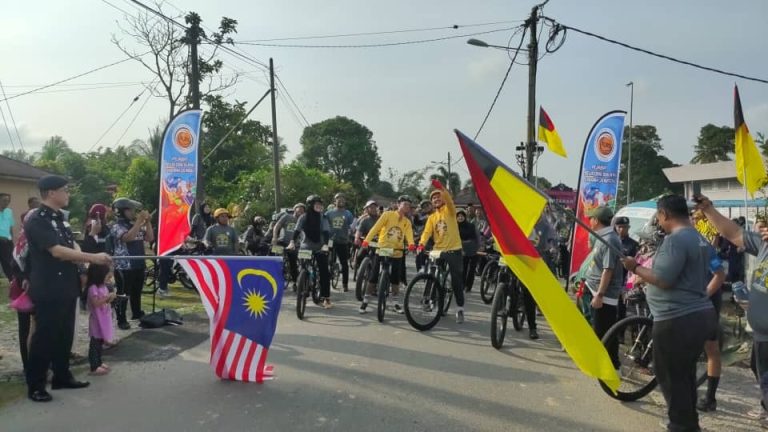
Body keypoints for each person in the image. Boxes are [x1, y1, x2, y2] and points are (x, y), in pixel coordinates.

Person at [622, 195, 717, 431]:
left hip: (677, 319)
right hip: (700, 315)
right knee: (684, 376)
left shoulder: (676, 240)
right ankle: (688, 424)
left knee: (672, 378)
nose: (659, 222)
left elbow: (663, 279)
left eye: (659, 217)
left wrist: (635, 267)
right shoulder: (699, 238)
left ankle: (680, 425)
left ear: (664, 214)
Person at [24, 175, 112, 402]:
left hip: (66, 286)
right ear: (52, 193)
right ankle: (36, 385)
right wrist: (93, 257)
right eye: (65, 190)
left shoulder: (60, 220)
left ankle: (62, 376)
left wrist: (83, 266)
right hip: (49, 287)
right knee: (45, 338)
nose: (68, 193)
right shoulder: (38, 220)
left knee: (64, 335)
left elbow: (70, 248)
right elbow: (57, 251)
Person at [697, 196, 768, 422]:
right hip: (761, 332)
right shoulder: (764, 243)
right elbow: (733, 233)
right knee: (759, 371)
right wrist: (708, 209)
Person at [419, 179, 466, 324]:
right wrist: (421, 245)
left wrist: (442, 188)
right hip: (438, 251)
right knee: (431, 274)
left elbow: (450, 201)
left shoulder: (450, 211)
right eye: (433, 198)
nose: (436, 199)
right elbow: (427, 232)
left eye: (439, 196)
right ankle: (428, 300)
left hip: (454, 251)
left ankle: (459, 309)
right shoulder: (432, 217)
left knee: (456, 281)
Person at [359, 195, 416, 314]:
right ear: (398, 204)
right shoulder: (387, 215)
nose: (406, 207)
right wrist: (366, 240)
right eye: (404, 204)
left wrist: (411, 244)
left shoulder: (407, 221)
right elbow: (376, 228)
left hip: (397, 251)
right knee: (373, 275)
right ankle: (365, 300)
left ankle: (395, 302)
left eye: (408, 205)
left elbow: (409, 234)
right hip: (383, 248)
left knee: (396, 278)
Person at [584, 206, 624, 369]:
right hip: (593, 287)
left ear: (597, 220)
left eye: (591, 218)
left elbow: (608, 269)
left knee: (605, 331)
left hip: (604, 294)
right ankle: (599, 361)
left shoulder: (610, 239)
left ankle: (614, 365)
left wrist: (599, 295)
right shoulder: (601, 236)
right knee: (597, 328)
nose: (589, 221)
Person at [110, 198, 154, 329]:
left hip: (139, 263)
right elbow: (128, 238)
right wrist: (139, 222)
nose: (134, 212)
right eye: (130, 210)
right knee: (123, 293)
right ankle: (121, 318)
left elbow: (149, 238)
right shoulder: (117, 226)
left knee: (137, 291)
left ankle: (137, 313)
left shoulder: (135, 224)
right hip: (124, 266)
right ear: (121, 211)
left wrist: (148, 222)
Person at [289, 195, 332, 308]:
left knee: (324, 271)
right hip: (306, 246)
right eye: (316, 204)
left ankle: (326, 297)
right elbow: (297, 230)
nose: (318, 206)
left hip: (320, 247)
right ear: (310, 205)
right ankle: (304, 285)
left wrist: (326, 245)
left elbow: (326, 232)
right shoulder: (303, 217)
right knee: (302, 268)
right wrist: (292, 242)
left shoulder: (323, 217)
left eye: (320, 204)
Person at [85, 264, 116, 376]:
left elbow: (104, 301)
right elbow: (96, 303)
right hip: (96, 320)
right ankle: (94, 366)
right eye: (107, 275)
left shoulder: (103, 286)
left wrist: (110, 298)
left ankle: (99, 362)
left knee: (100, 342)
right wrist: (107, 298)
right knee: (95, 343)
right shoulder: (93, 288)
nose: (110, 276)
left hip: (104, 317)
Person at [326, 193, 354, 291]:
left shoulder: (348, 213)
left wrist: (351, 232)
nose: (340, 200)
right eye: (338, 199)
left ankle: (345, 284)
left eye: (342, 199)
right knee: (329, 261)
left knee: (344, 263)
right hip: (330, 241)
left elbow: (352, 225)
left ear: (345, 201)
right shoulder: (329, 213)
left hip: (343, 241)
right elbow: (323, 223)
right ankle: (329, 276)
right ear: (335, 201)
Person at [614, 216, 640, 322]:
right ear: (615, 227)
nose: (621, 229)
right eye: (619, 227)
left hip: (626, 282)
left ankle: (620, 334)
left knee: (623, 309)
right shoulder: (612, 241)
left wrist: (629, 286)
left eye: (624, 227)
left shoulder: (634, 244)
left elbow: (636, 267)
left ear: (628, 228)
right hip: (612, 281)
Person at [273, 203, 304, 285]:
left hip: (294, 244)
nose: (301, 211)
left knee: (293, 261)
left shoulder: (303, 220)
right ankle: (275, 275)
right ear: (294, 209)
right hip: (282, 241)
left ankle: (295, 282)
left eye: (303, 210)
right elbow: (277, 226)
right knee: (275, 256)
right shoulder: (286, 216)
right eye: (299, 209)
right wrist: (274, 237)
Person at [457, 209, 481, 293]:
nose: (460, 218)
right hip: (462, 250)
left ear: (465, 217)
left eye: (461, 216)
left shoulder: (471, 225)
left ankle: (468, 286)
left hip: (472, 249)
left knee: (471, 269)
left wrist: (479, 247)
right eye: (458, 216)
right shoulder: (455, 227)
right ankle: (462, 284)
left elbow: (477, 238)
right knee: (463, 268)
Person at [354, 200, 379, 272]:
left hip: (379, 243)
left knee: (385, 258)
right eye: (371, 207)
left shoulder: (381, 219)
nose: (373, 209)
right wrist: (357, 238)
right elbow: (359, 231)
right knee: (359, 256)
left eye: (374, 207)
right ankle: (360, 271)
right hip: (366, 242)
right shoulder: (364, 220)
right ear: (367, 209)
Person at [413, 200, 434, 273]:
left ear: (431, 205)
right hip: (425, 240)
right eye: (424, 207)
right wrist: (415, 216)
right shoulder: (426, 217)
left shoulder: (437, 213)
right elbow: (418, 222)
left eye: (427, 205)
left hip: (437, 240)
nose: (426, 207)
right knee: (419, 255)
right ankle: (420, 272)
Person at [0, 192, 14, 280]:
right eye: (4, 201)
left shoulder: (9, 211)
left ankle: (12, 280)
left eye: (8, 201)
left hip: (7, 242)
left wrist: (11, 238)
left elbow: (10, 226)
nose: (6, 203)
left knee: (9, 262)